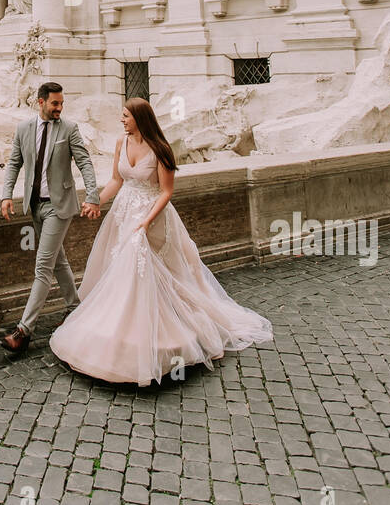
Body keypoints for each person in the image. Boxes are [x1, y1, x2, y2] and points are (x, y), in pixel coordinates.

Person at [49, 97, 274, 386]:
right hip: (123, 212)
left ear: (140, 119)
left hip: (152, 217)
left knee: (146, 271)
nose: (122, 120)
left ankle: (160, 334)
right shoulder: (122, 143)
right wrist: (95, 201)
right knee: (119, 270)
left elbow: (166, 192)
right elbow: (117, 181)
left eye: (126, 116)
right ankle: (122, 331)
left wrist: (145, 221)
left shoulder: (161, 150)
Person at [0, 82, 101, 357]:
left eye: (61, 104)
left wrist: (92, 195)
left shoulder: (69, 129)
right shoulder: (23, 129)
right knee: (58, 261)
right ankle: (75, 308)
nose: (59, 108)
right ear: (40, 102)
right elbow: (14, 164)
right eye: (55, 103)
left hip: (60, 207)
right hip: (35, 207)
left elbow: (85, 162)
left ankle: (23, 332)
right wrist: (5, 195)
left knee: (42, 266)